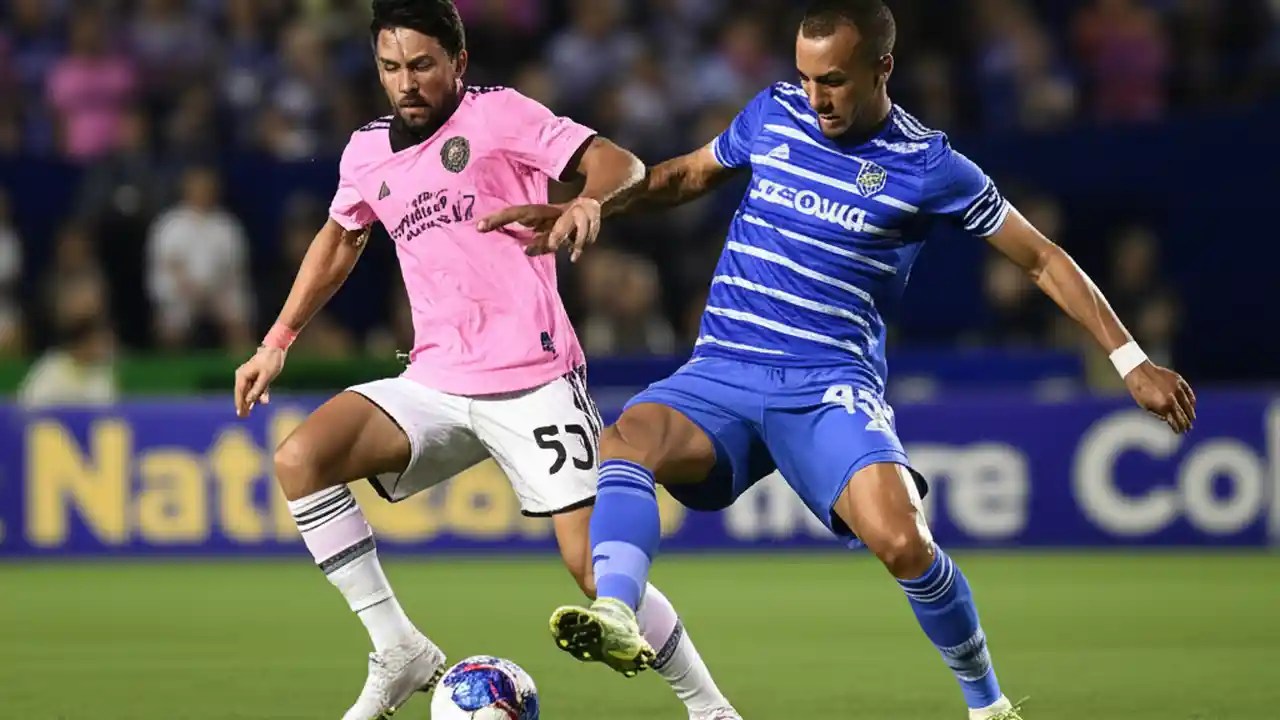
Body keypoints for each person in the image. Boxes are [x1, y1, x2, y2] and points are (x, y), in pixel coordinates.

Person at [481, 2, 1197, 719]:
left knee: (901, 542)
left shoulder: (928, 164)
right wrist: (590, 202)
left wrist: (1130, 358)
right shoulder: (774, 114)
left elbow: (1040, 258)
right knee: (627, 440)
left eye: (833, 80)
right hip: (724, 367)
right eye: (804, 76)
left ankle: (989, 706)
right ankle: (616, 611)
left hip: (828, 386)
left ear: (881, 67)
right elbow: (683, 177)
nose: (815, 96)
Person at [232, 2, 739, 720]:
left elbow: (618, 164)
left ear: (458, 63)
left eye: (421, 65)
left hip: (533, 379)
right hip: (435, 380)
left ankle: (712, 709)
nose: (405, 82)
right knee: (300, 460)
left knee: (592, 566)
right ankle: (400, 649)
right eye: (389, 67)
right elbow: (341, 240)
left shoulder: (501, 115)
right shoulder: (365, 150)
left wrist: (591, 201)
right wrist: (275, 343)